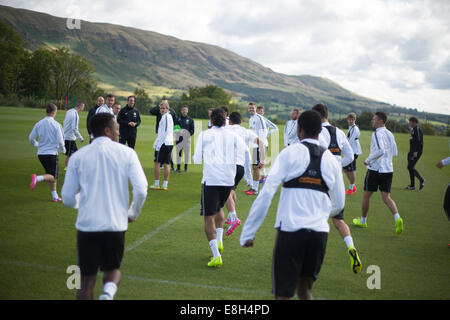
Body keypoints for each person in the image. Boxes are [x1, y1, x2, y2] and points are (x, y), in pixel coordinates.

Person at [240, 110, 346, 300]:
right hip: (319, 234)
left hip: (291, 231)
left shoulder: (289, 153)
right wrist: (318, 214)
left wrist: (249, 232)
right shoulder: (331, 160)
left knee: (283, 295)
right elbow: (338, 204)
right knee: (306, 291)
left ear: (299, 129)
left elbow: (266, 193)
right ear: (320, 130)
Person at [61, 113, 148, 300]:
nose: (117, 132)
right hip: (115, 225)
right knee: (113, 271)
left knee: (85, 282)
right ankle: (108, 294)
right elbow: (141, 189)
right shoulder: (127, 153)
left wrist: (80, 201)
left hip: (87, 226)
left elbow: (67, 198)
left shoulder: (78, 157)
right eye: (115, 128)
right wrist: (132, 213)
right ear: (107, 130)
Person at [193, 108, 250, 267]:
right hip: (228, 180)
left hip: (211, 180)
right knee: (219, 208)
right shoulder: (233, 135)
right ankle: (219, 240)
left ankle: (216, 255)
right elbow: (245, 151)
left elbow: (196, 159)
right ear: (225, 120)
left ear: (211, 120)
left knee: (208, 217)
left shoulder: (205, 134)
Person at [312, 104, 361, 273]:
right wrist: (339, 164)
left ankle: (311, 257)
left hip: (321, 179)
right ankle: (351, 247)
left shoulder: (316, 132)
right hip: (337, 180)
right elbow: (350, 155)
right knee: (339, 220)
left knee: (314, 219)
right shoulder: (339, 132)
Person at [353, 111, 403, 235]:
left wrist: (368, 160)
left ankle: (363, 221)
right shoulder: (390, 133)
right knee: (387, 198)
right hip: (388, 169)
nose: (372, 121)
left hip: (375, 169)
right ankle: (397, 218)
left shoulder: (377, 133)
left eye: (374, 119)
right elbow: (395, 152)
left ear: (380, 121)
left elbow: (381, 150)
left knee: (366, 195)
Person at [224, 112, 260, 236]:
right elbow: (260, 141)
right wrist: (263, 158)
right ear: (240, 122)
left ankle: (234, 218)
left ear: (230, 121)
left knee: (226, 191)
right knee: (232, 190)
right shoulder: (245, 131)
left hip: (230, 165)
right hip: (241, 166)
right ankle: (230, 216)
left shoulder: (227, 128)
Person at [29, 103, 66, 202]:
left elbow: (31, 138)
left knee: (51, 176)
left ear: (46, 111)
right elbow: (60, 141)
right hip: (51, 154)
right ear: (54, 112)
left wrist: (37, 144)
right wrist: (63, 150)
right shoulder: (56, 125)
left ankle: (55, 197)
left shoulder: (39, 123)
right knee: (53, 176)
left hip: (41, 154)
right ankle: (37, 178)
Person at [150, 101, 174, 190]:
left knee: (157, 163)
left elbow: (165, 131)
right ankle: (164, 185)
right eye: (161, 108)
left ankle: (157, 184)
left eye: (164, 108)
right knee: (166, 163)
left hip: (164, 143)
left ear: (168, 109)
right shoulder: (165, 116)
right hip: (168, 143)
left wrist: (158, 144)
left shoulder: (167, 117)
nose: (162, 110)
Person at [246, 102, 267, 195]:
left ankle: (255, 189)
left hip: (259, 146)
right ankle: (254, 188)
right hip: (254, 146)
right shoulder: (251, 119)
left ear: (255, 109)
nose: (251, 109)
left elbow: (264, 131)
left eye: (253, 108)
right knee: (254, 167)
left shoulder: (259, 118)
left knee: (257, 167)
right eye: (250, 108)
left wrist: (260, 146)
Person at [256, 105, 278, 181]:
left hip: (264, 143)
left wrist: (267, 134)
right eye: (258, 111)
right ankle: (263, 175)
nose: (260, 112)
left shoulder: (265, 120)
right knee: (257, 161)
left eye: (261, 111)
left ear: (263, 112)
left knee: (261, 160)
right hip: (256, 143)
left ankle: (264, 176)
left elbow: (275, 127)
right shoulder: (255, 120)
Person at [343, 113, 362, 195]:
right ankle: (353, 185)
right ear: (347, 120)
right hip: (350, 151)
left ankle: (350, 189)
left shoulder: (355, 128)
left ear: (354, 120)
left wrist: (342, 149)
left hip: (353, 152)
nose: (351, 121)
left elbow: (350, 141)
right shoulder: (351, 128)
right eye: (349, 119)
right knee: (344, 168)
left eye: (352, 119)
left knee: (351, 170)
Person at [63, 102, 85, 169]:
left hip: (66, 136)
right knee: (70, 155)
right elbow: (74, 128)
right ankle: (67, 168)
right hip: (70, 138)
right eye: (83, 107)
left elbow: (64, 122)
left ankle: (74, 167)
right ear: (80, 107)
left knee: (75, 154)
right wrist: (80, 138)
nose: (83, 109)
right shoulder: (75, 114)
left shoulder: (69, 111)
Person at [405, 116, 425, 190]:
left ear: (414, 122)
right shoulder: (413, 130)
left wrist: (415, 151)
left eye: (410, 122)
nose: (409, 123)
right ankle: (412, 185)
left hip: (416, 152)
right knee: (410, 168)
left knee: (410, 167)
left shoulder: (417, 130)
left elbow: (419, 141)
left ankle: (421, 180)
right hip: (411, 151)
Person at [175, 105, 195, 172]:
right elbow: (175, 129)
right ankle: (178, 168)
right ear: (181, 111)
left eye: (185, 110)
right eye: (183, 110)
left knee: (186, 154)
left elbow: (192, 130)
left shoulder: (190, 120)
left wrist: (187, 134)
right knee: (178, 153)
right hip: (179, 139)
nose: (184, 111)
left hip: (186, 139)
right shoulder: (177, 119)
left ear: (187, 111)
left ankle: (186, 168)